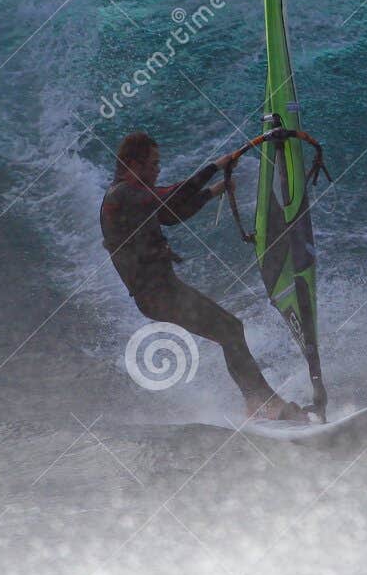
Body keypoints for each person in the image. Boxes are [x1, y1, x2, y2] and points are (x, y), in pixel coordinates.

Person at [100, 130, 306, 421]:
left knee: (229, 330)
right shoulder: (123, 194)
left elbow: (170, 214)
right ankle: (262, 403)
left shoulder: (130, 198)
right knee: (230, 329)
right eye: (153, 163)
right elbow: (169, 196)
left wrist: (213, 192)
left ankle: (258, 402)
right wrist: (215, 166)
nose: (158, 170)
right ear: (134, 163)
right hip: (157, 294)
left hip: (160, 291)